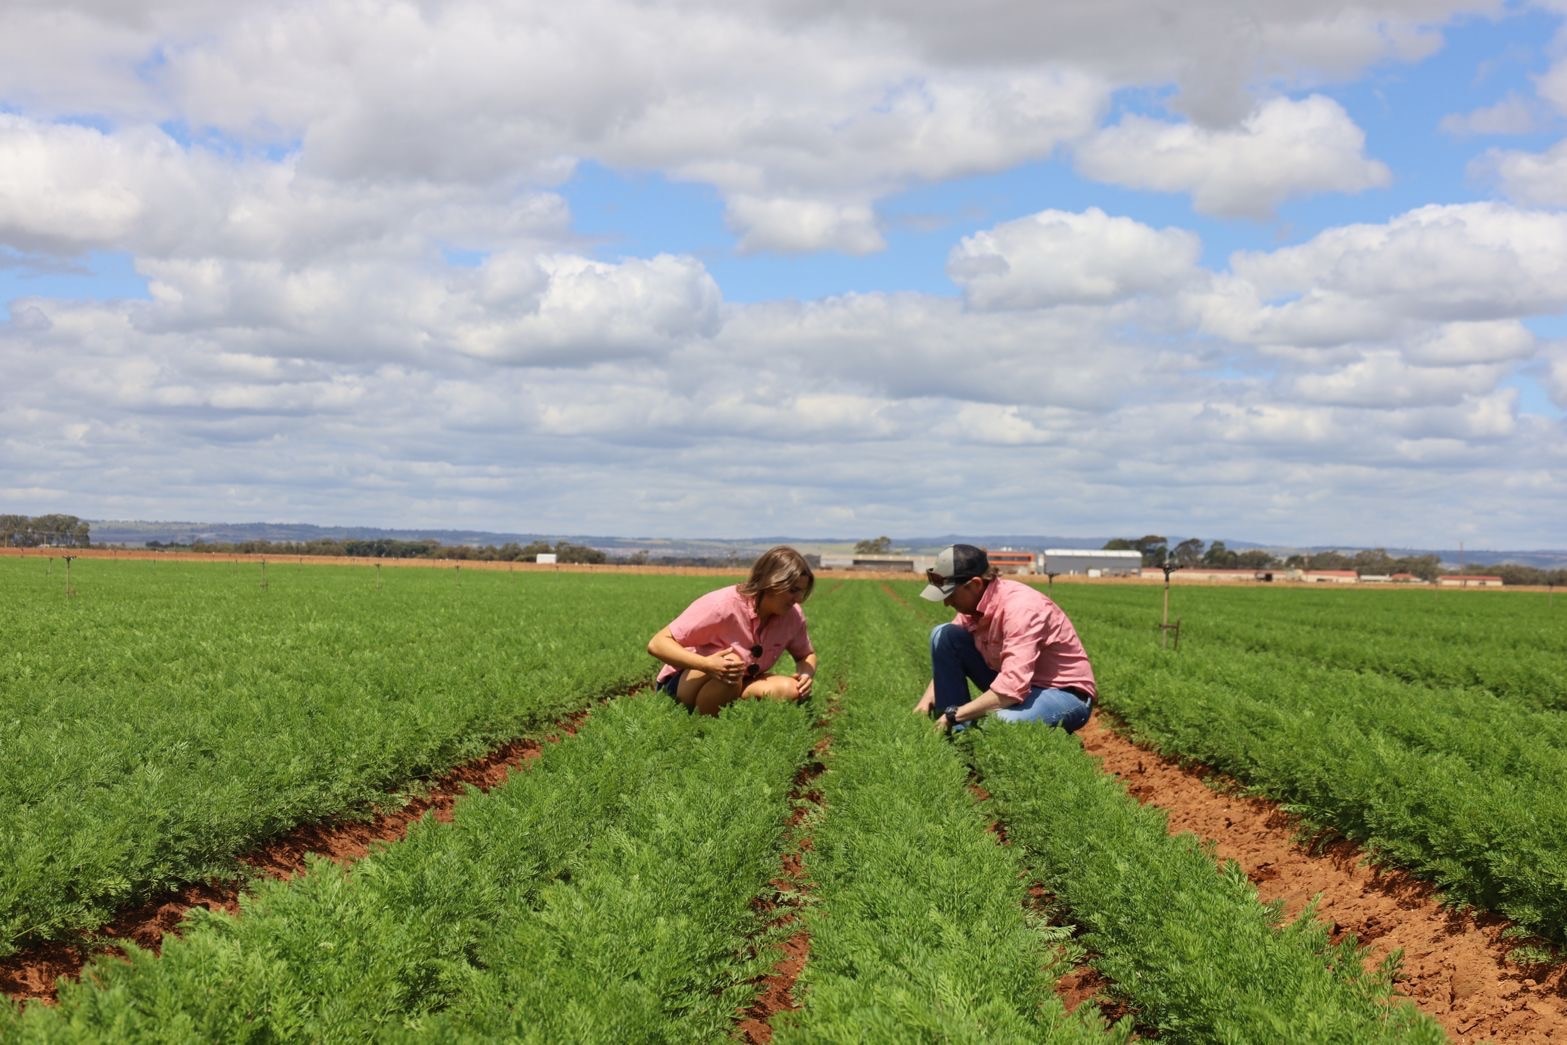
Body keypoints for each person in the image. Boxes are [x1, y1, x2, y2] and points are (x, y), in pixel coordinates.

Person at [912, 543, 1095, 735]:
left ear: (974, 584)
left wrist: (953, 714)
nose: (946, 602)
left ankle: (956, 724)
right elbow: (949, 658)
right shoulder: (972, 607)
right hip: (1018, 685)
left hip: (1062, 693)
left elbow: (1012, 688)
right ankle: (958, 735)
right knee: (943, 634)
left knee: (1000, 723)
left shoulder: (1021, 609)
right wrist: (926, 701)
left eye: (950, 594)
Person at [648, 545, 819, 716]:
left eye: (801, 592)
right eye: (793, 591)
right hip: (683, 683)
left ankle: (727, 714)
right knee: (731, 663)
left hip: (738, 681)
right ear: (772, 583)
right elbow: (657, 643)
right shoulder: (722, 605)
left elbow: (805, 655)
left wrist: (806, 673)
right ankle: (701, 726)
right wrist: (706, 664)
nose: (797, 600)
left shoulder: (792, 615)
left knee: (789, 690)